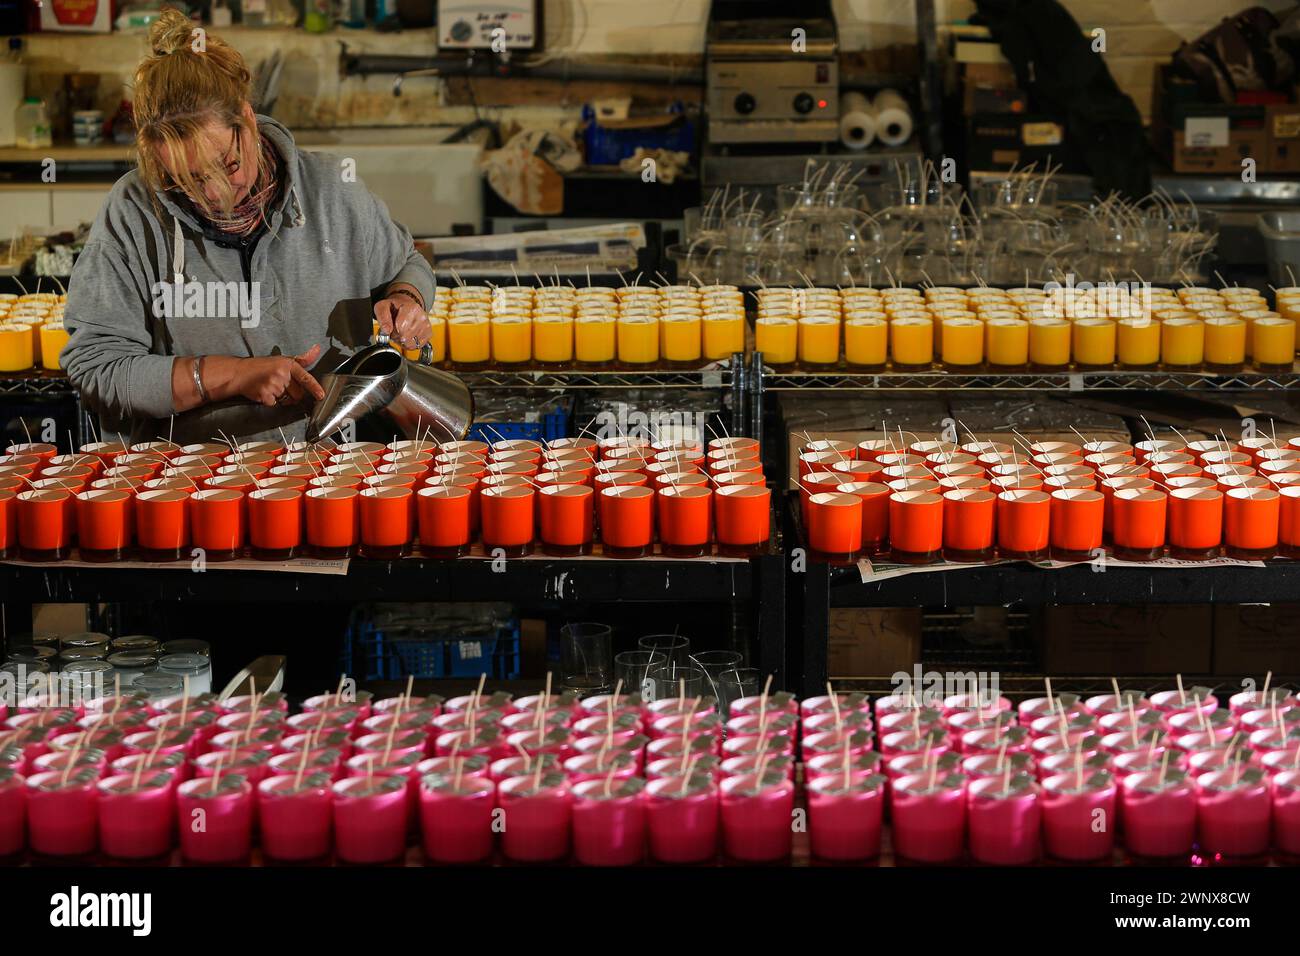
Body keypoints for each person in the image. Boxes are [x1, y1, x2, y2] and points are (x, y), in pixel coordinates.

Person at [60, 8, 435, 446]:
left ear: (247, 118)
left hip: (332, 473)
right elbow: (98, 368)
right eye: (188, 180)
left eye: (228, 166)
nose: (215, 196)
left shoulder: (333, 191)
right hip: (191, 483)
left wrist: (405, 299)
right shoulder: (133, 213)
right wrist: (230, 377)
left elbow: (405, 263)